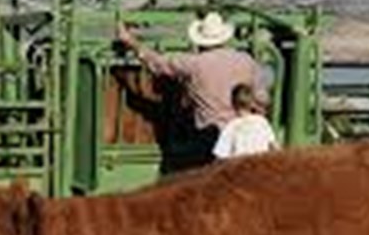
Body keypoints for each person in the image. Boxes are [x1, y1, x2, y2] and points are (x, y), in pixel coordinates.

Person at [117, 12, 265, 168]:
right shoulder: (246, 60)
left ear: (200, 41)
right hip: (246, 138)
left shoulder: (194, 64)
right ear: (225, 38)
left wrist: (131, 42)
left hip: (209, 140)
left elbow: (159, 63)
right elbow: (262, 98)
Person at [212, 83, 279, 159]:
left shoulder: (231, 127)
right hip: (261, 167)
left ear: (232, 103)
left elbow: (220, 156)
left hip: (241, 168)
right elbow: (275, 147)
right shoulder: (263, 122)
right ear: (252, 103)